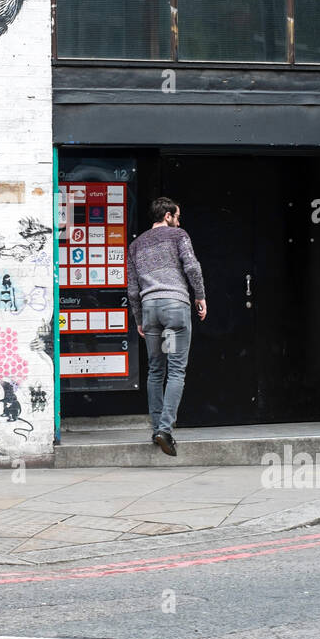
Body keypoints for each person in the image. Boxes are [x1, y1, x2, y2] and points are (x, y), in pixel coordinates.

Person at [126, 196, 207, 457]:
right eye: (177, 216)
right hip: (174, 309)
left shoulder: (136, 245)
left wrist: (139, 318)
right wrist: (200, 296)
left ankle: (156, 428)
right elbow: (192, 266)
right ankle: (165, 429)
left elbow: (133, 289)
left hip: (151, 312)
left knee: (155, 370)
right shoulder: (178, 235)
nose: (179, 221)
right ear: (168, 215)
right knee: (176, 370)